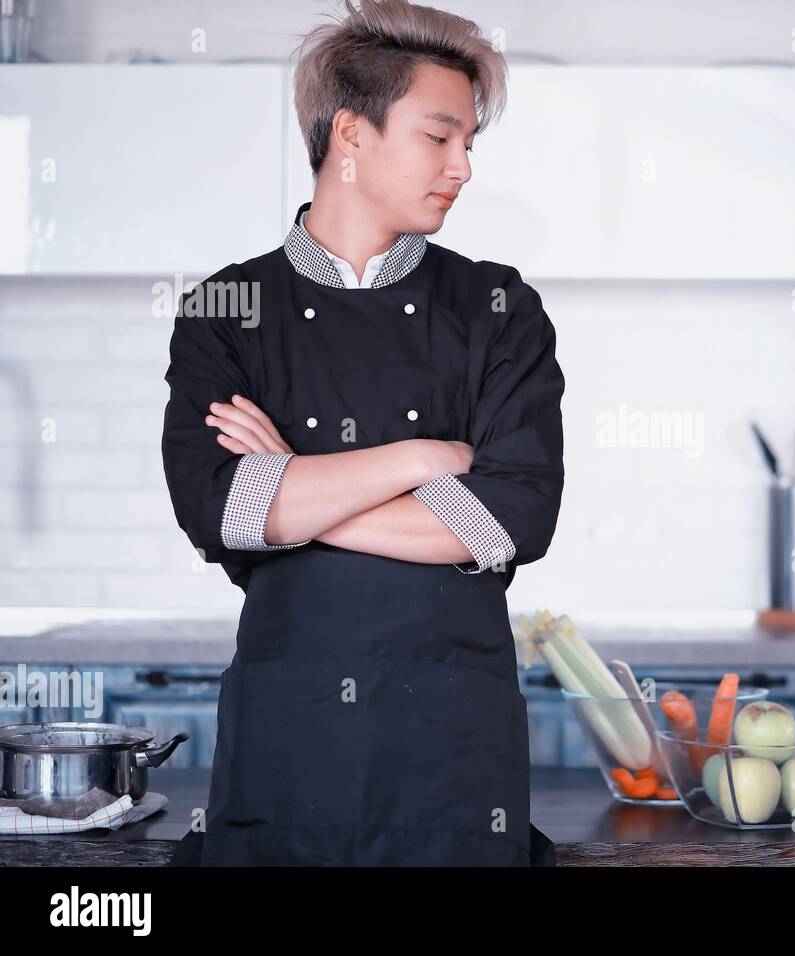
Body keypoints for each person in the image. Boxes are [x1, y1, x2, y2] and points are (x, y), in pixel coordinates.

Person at [160, 0, 562, 866]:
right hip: (287, 740)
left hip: (453, 750)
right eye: (440, 137)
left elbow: (510, 522)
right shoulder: (226, 311)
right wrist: (420, 462)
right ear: (352, 133)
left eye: (469, 146)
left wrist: (296, 491)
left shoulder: (498, 309)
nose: (463, 168)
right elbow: (217, 510)